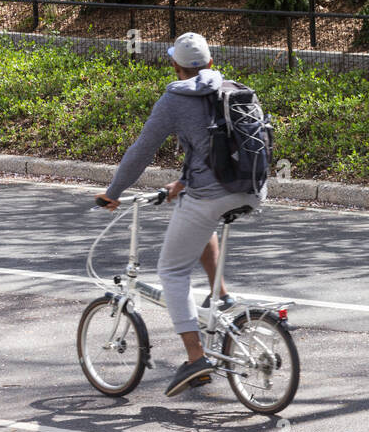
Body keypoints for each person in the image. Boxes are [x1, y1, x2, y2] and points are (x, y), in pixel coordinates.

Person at [98, 32, 264, 397]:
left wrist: (113, 193)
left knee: (171, 271)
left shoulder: (174, 99)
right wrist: (183, 182)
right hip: (251, 190)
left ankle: (195, 359)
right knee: (197, 221)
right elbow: (223, 148)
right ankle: (221, 297)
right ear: (210, 61)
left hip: (210, 194)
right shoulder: (235, 89)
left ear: (175, 64)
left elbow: (141, 151)